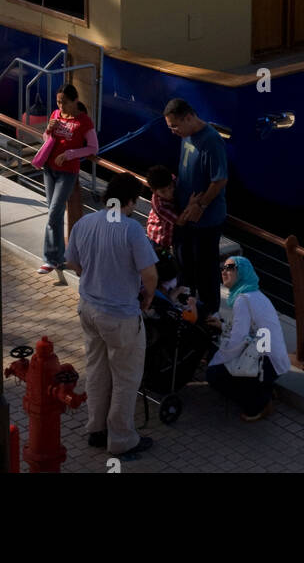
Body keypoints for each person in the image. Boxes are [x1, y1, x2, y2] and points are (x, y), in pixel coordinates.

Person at [65, 172, 158, 460]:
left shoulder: (85, 222)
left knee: (96, 369)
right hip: (120, 315)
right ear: (130, 201)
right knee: (125, 377)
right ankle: (121, 438)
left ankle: (96, 428)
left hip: (89, 309)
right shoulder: (131, 230)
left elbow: (72, 263)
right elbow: (149, 274)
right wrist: (148, 296)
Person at [163, 98, 228, 319]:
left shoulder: (211, 141)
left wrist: (201, 204)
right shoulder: (186, 135)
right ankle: (186, 304)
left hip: (205, 220)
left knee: (205, 267)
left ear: (189, 117)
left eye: (174, 126)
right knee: (183, 261)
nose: (173, 131)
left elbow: (219, 180)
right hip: (184, 214)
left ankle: (210, 311)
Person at [206, 256, 290, 421]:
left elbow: (238, 340)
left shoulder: (242, 300)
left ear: (242, 272)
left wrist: (216, 360)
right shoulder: (254, 294)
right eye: (223, 267)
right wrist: (222, 327)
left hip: (265, 363)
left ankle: (258, 403)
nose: (224, 271)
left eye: (230, 267)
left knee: (214, 374)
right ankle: (264, 387)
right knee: (221, 361)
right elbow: (248, 331)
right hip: (274, 361)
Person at [39, 85, 98, 274]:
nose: (61, 105)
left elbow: (92, 148)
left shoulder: (84, 121)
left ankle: (51, 258)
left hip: (67, 172)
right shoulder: (56, 114)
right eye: (58, 101)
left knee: (54, 213)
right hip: (49, 168)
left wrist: (70, 154)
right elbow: (47, 139)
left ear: (74, 101)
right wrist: (48, 130)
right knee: (52, 213)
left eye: (64, 102)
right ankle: (56, 258)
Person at [145, 164, 179, 255]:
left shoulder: (171, 179)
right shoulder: (160, 206)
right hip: (158, 239)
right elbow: (179, 221)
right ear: (154, 191)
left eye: (170, 187)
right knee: (157, 263)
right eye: (163, 192)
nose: (169, 193)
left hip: (169, 235)